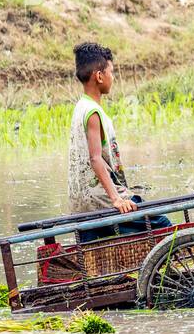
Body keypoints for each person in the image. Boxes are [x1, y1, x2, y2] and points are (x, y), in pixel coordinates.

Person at [67, 42, 172, 240]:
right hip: (101, 198)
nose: (112, 78)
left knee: (94, 257)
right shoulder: (92, 112)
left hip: (84, 202)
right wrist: (116, 199)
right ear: (99, 76)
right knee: (162, 224)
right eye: (111, 72)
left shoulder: (80, 106)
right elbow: (95, 158)